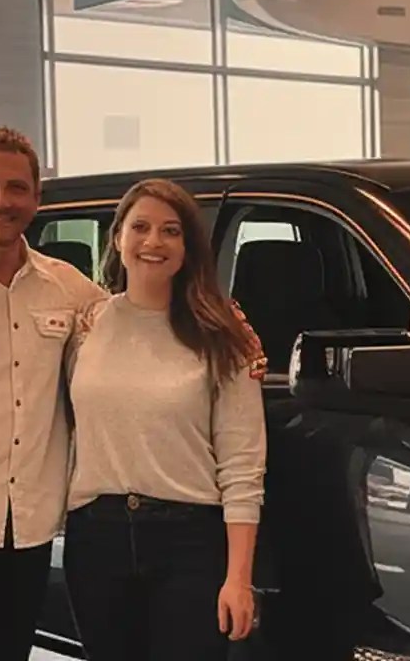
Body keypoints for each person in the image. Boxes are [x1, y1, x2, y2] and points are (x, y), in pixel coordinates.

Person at [0, 127, 264, 660]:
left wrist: (235, 332)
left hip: (26, 541)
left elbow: (143, 317)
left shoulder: (71, 293)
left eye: (17, 188)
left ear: (37, 197)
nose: (1, 202)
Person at [62, 178, 267, 661]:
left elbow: (243, 467)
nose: (153, 242)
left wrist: (238, 579)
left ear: (188, 246)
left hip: (190, 543)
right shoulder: (84, 326)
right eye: (141, 227)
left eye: (171, 231)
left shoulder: (223, 338)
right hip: (96, 539)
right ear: (118, 238)